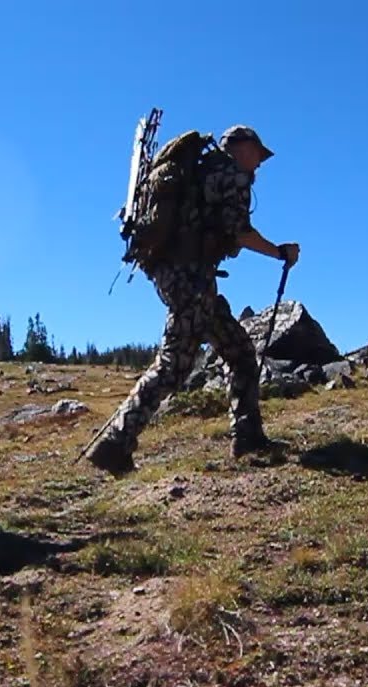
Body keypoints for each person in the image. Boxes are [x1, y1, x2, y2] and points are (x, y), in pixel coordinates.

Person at [85, 125, 299, 475]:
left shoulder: (201, 171)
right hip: (192, 279)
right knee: (173, 366)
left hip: (179, 276)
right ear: (242, 147)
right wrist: (279, 252)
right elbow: (239, 232)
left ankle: (248, 437)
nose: (259, 164)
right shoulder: (230, 175)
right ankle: (114, 443)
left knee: (240, 352)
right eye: (258, 154)